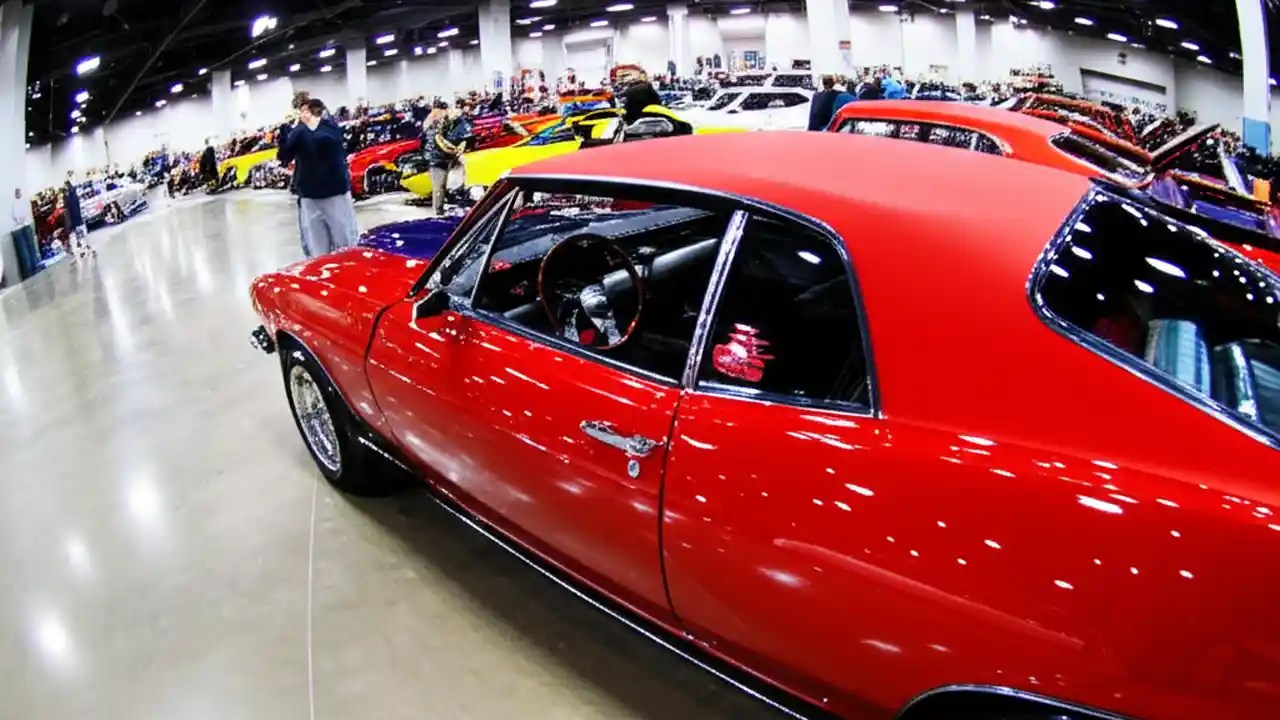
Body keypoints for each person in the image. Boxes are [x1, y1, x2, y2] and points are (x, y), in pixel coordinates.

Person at [276, 97, 359, 257]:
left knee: (345, 243)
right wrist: (284, 139)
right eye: (300, 111)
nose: (301, 115)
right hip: (309, 197)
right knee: (317, 249)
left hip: (335, 195)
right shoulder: (300, 132)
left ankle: (348, 275)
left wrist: (300, 131)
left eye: (304, 111)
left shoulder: (329, 128)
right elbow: (284, 157)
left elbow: (325, 141)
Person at [424, 103, 469, 216]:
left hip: (445, 158)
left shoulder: (447, 122)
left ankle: (444, 208)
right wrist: (455, 150)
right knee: (439, 187)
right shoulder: (433, 125)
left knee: (445, 186)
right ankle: (438, 212)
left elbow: (458, 136)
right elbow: (440, 142)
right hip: (437, 160)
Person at [9, 188, 40, 281]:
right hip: (21, 227)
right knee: (28, 253)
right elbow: (18, 215)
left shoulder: (17, 200)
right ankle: (33, 273)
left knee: (28, 252)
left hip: (22, 226)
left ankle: (33, 273)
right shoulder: (15, 201)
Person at [61, 172, 92, 260]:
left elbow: (72, 205)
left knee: (79, 234)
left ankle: (84, 247)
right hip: (75, 217)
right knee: (80, 233)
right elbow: (73, 205)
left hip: (75, 217)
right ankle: (85, 247)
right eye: (73, 177)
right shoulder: (70, 190)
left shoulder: (71, 190)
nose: (75, 178)